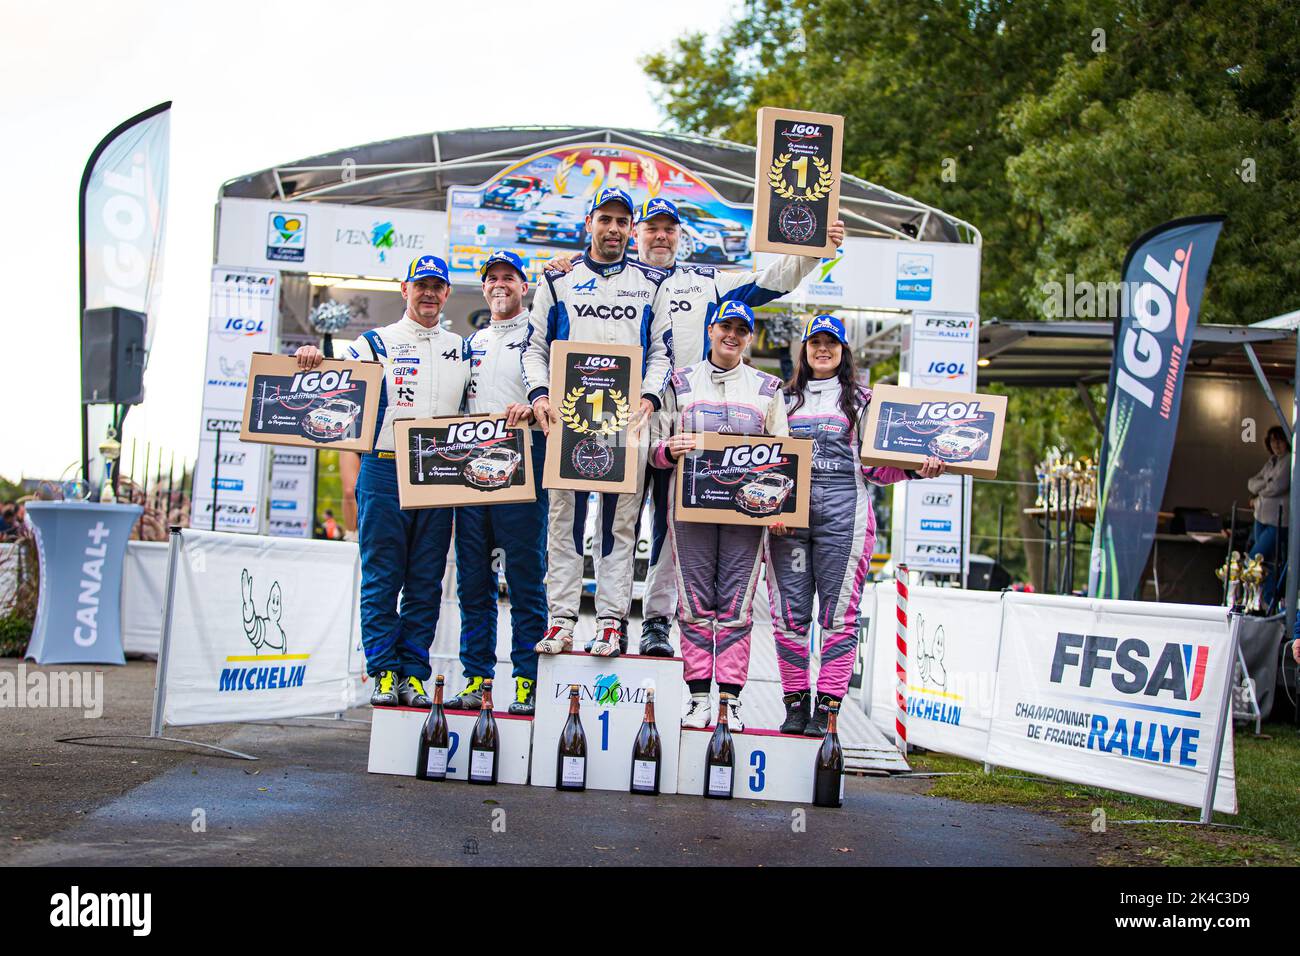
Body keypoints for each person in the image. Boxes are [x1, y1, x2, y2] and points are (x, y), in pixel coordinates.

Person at [548, 197, 845, 656]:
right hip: (620, 417)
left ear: (680, 235)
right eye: (651, 228)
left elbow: (770, 280)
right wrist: (560, 264)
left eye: (670, 229)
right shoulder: (610, 279)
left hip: (684, 416)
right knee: (612, 522)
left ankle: (656, 620)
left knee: (671, 524)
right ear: (635, 232)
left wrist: (812, 251)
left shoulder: (706, 281)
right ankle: (606, 620)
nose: (660, 236)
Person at [295, 255, 468, 708]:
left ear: (446, 293)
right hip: (384, 465)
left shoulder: (461, 348)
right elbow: (335, 380)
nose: (428, 293)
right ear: (404, 290)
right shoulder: (373, 342)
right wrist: (312, 360)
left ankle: (413, 672)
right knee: (382, 577)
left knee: (426, 581)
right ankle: (383, 671)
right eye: (420, 285)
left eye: (437, 286)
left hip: (438, 471)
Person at [766, 314, 947, 737]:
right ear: (804, 350)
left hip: (845, 519)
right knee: (789, 618)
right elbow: (764, 459)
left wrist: (917, 471)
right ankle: (795, 705)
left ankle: (826, 710)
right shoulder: (781, 398)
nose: (823, 349)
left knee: (838, 619)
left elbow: (877, 470)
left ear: (844, 350)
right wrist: (766, 511)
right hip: (789, 520)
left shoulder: (864, 402)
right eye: (815, 343)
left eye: (832, 343)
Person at [523, 186, 674, 658]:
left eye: (622, 221)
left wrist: (649, 395)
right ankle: (562, 619)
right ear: (589, 223)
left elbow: (661, 352)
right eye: (604, 219)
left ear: (632, 229)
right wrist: (540, 394)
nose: (613, 228)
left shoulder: (652, 283)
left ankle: (610, 620)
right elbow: (534, 348)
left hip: (627, 422)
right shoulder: (557, 282)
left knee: (619, 525)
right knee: (563, 522)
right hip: (569, 420)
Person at [649, 301, 788, 730]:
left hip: (746, 515)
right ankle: (697, 698)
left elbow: (784, 453)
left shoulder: (767, 387)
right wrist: (667, 450)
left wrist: (781, 507)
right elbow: (652, 446)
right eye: (725, 326)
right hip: (690, 509)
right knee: (692, 604)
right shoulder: (679, 381)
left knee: (736, 606)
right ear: (711, 329)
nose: (732, 335)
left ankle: (730, 699)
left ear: (750, 338)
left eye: (741, 330)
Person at [448, 251, 548, 716]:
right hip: (472, 474)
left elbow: (555, 390)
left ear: (523, 286)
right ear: (484, 287)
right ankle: (477, 678)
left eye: (509, 277)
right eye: (492, 279)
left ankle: (527, 680)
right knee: (474, 582)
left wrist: (535, 406)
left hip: (524, 468)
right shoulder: (473, 341)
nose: (500, 285)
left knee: (526, 580)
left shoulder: (539, 333)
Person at [1247, 425, 1290, 611]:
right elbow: (1251, 483)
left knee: (1255, 558)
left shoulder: (1289, 460)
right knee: (1264, 562)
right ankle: (1265, 600)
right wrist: (1266, 483)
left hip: (1277, 520)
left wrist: (1261, 490)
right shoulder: (1272, 461)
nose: (1276, 444)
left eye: (1279, 440)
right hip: (1260, 517)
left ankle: (1269, 598)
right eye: (1272, 441)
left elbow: (1278, 486)